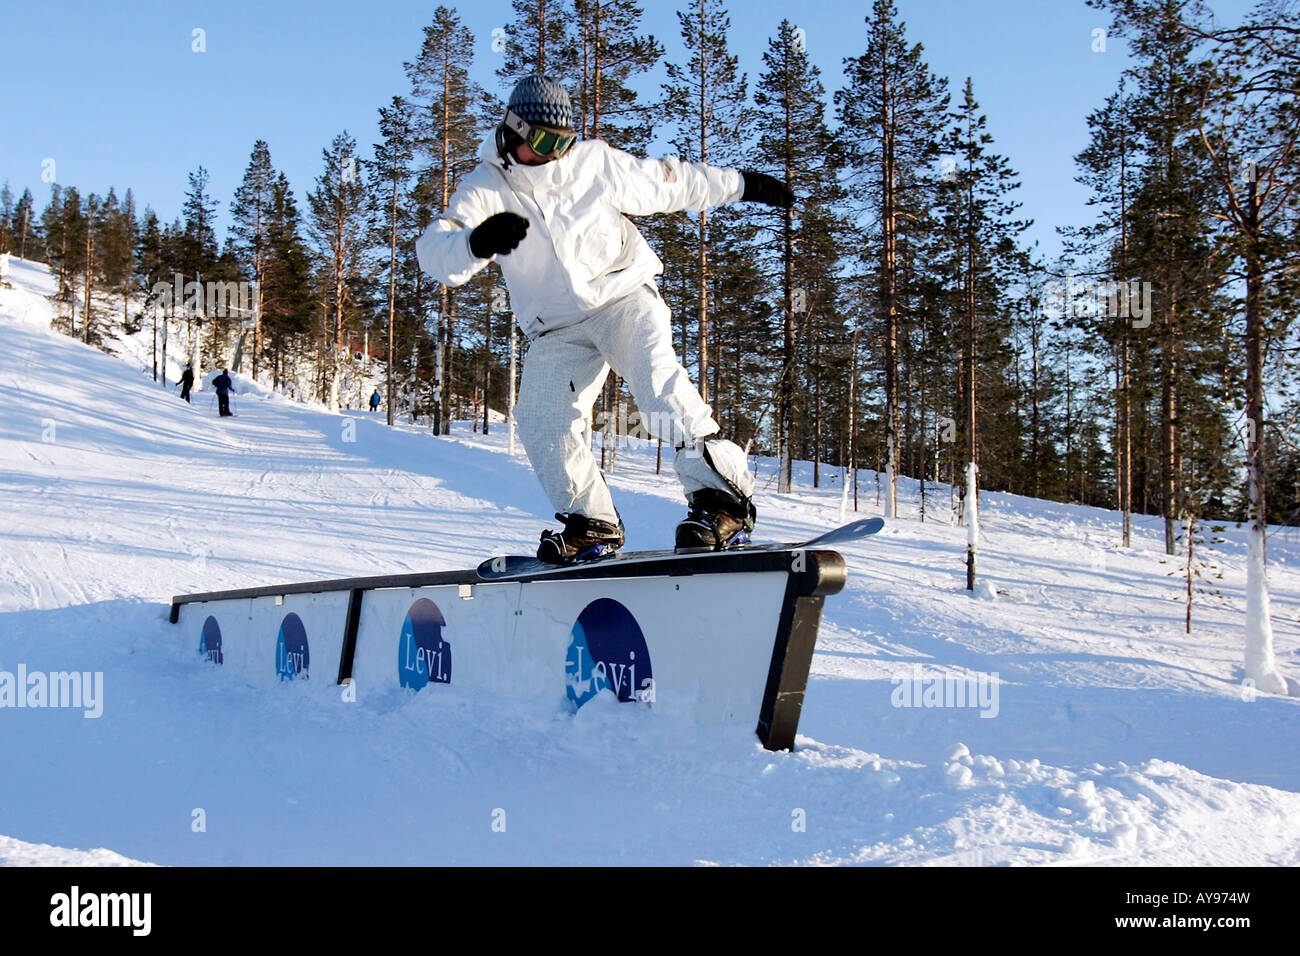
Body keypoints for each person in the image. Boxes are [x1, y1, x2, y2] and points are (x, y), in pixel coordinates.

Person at [417, 74, 794, 563]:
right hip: (554, 326)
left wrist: (743, 184)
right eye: (546, 142)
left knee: (658, 387)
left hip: (622, 296)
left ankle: (724, 502)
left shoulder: (592, 164)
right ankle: (592, 522)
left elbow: (669, 182)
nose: (555, 154)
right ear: (514, 131)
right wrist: (475, 244)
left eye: (564, 143)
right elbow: (435, 249)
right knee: (541, 420)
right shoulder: (486, 186)